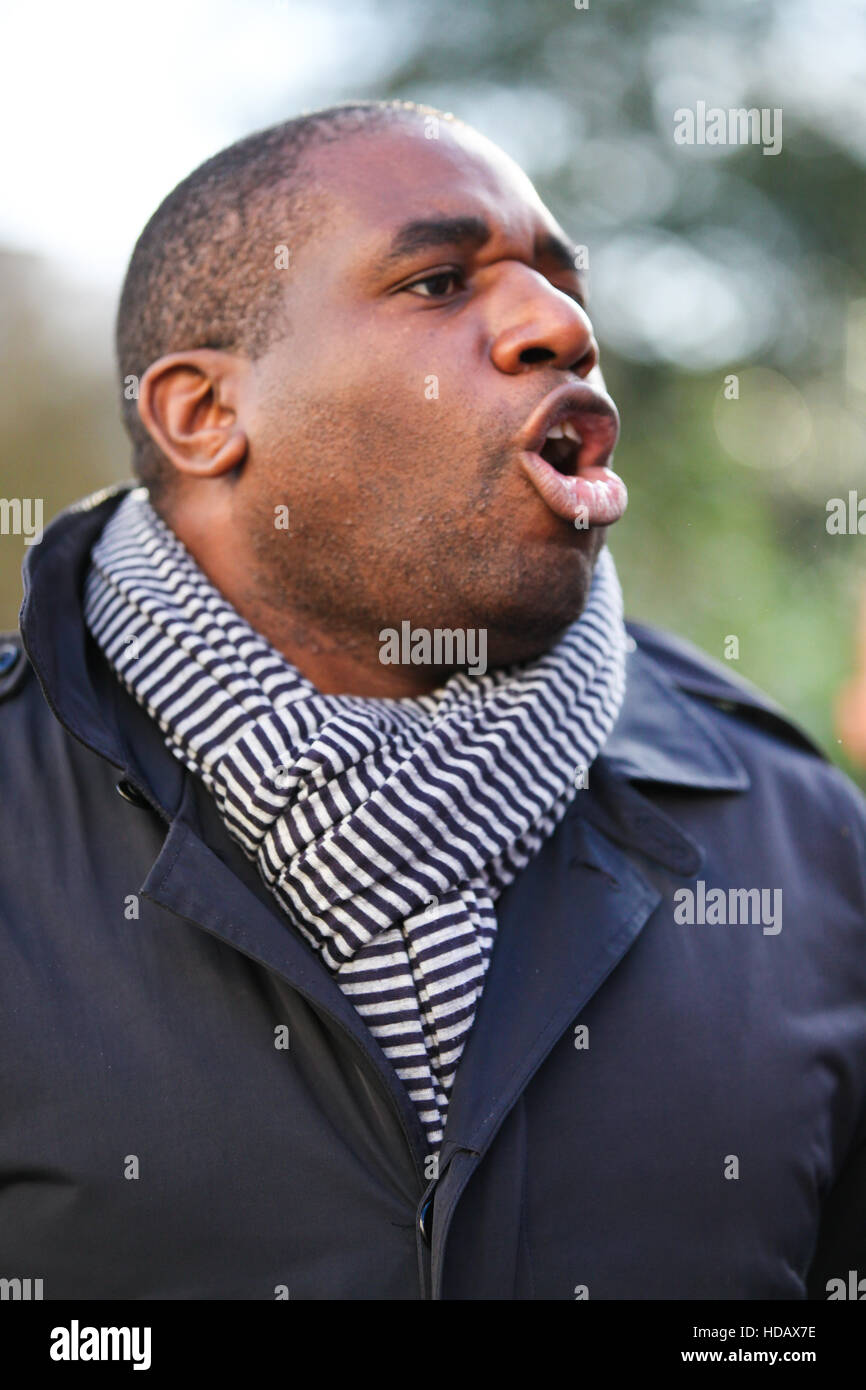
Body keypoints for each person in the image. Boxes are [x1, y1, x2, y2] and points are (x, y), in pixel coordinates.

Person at [1, 99, 864, 1301]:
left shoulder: (801, 839)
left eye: (562, 285)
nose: (559, 324)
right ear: (203, 415)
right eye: (438, 281)